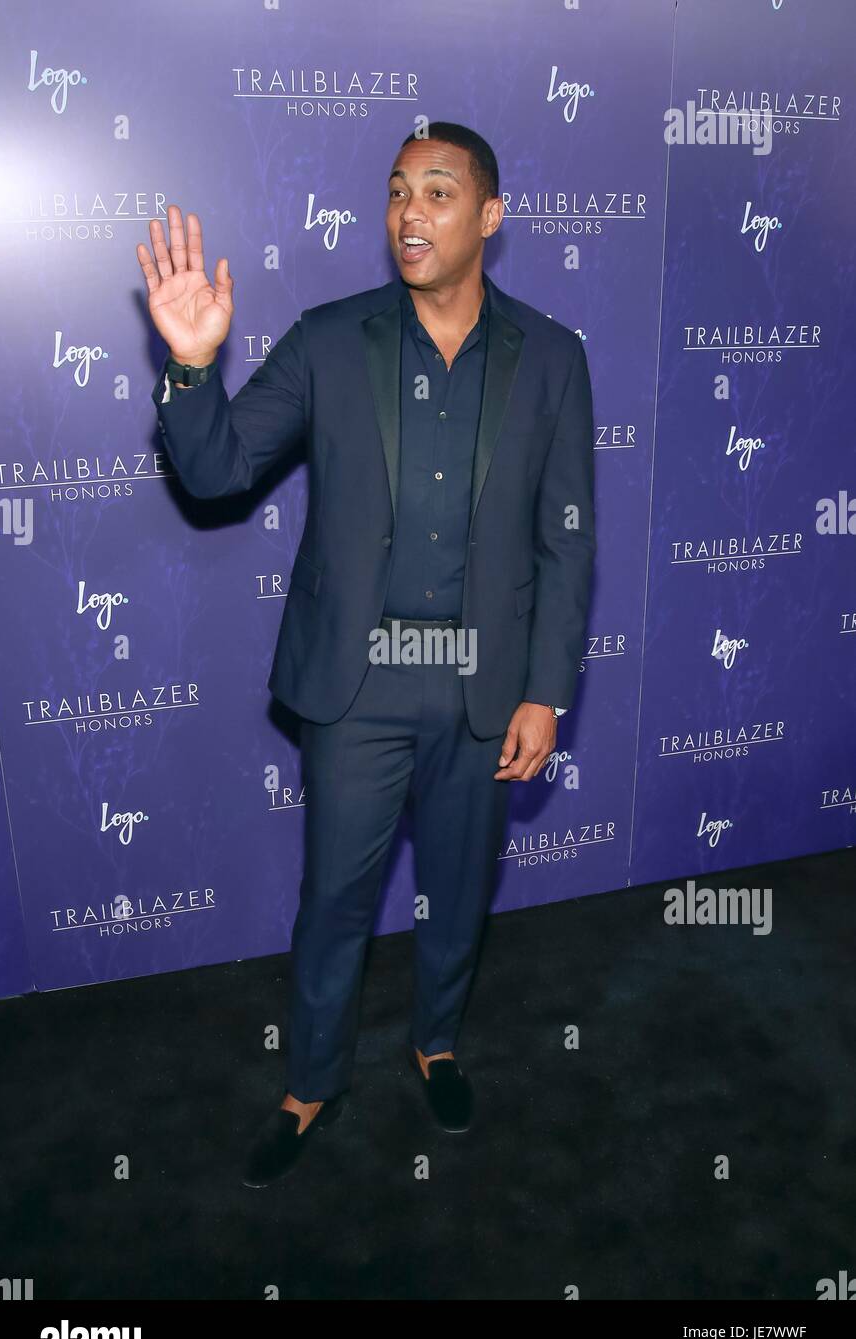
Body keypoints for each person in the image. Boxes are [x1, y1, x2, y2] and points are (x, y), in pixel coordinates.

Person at [136, 122, 596, 1187]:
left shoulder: (553, 359)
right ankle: (308, 1084)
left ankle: (435, 1042)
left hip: (486, 683)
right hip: (358, 688)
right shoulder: (328, 340)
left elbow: (565, 540)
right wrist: (192, 367)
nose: (409, 212)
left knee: (456, 887)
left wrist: (546, 692)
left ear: (487, 217)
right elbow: (214, 474)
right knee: (334, 900)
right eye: (396, 191)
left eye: (437, 192)